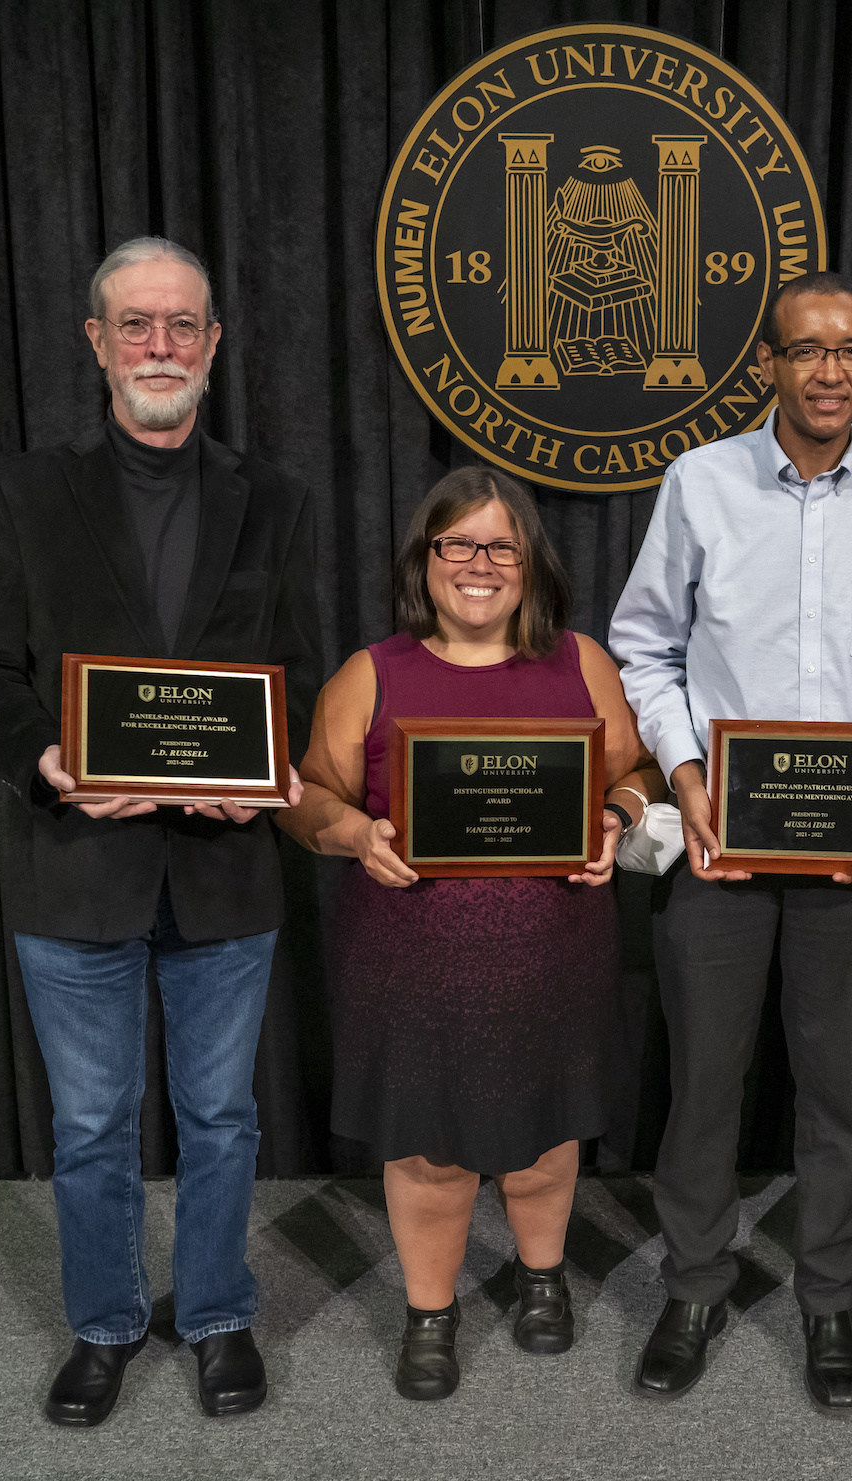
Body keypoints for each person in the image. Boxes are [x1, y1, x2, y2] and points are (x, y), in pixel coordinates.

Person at [0, 237, 320, 1426]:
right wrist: (50, 767)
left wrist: (262, 773)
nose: (162, 345)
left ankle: (213, 1317)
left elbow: (299, 676)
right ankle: (104, 1324)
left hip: (224, 869)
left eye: (184, 325)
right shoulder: (23, 492)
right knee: (93, 1124)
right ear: (97, 343)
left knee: (223, 1117)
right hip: (76, 864)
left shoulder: (281, 501)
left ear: (214, 345)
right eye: (137, 324)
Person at [608, 271, 852, 1411]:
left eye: (850, 351)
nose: (828, 370)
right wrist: (689, 777)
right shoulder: (700, 483)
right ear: (767, 363)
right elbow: (644, 646)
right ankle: (696, 1284)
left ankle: (826, 1304)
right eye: (806, 350)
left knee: (836, 1089)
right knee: (706, 1081)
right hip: (719, 846)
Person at [277, 465, 665, 1402]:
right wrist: (352, 832)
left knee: (546, 1141)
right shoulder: (372, 673)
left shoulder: (580, 662)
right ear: (428, 558)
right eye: (460, 543)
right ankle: (430, 1312)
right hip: (413, 960)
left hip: (553, 957)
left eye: (503, 545)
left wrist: (615, 818)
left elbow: (638, 770)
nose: (480, 564)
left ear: (530, 563)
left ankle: (540, 1282)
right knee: (427, 1150)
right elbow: (307, 800)